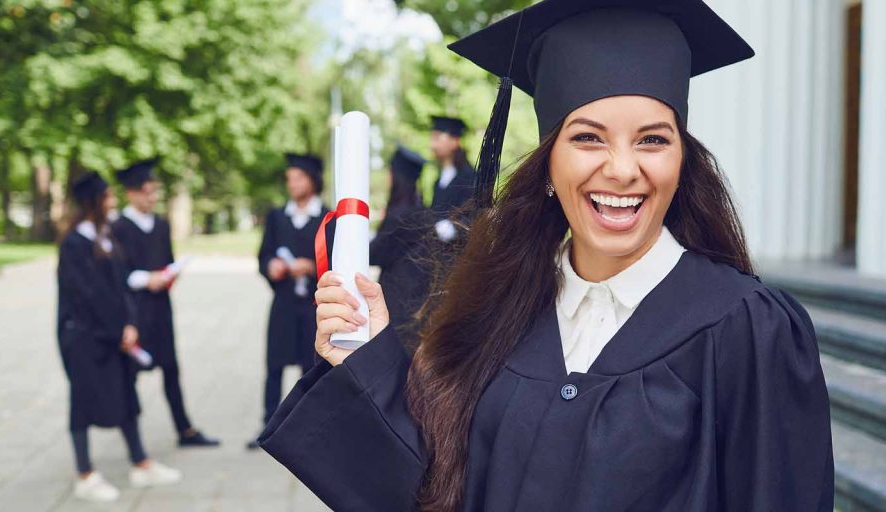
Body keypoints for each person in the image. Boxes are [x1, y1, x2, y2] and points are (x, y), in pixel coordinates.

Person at [260, 1, 834, 511]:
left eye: (652, 139)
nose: (622, 168)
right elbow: (437, 488)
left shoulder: (747, 328)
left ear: (683, 162)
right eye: (587, 137)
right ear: (549, 165)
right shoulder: (505, 306)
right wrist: (368, 359)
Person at [58, 172, 182, 502]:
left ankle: (140, 463)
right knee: (82, 403)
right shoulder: (74, 243)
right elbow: (85, 297)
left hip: (115, 334)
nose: (112, 203)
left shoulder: (106, 236)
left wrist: (129, 323)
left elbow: (120, 286)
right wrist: (119, 329)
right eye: (107, 198)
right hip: (85, 338)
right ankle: (84, 473)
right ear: (92, 203)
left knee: (127, 397)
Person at [112, 158, 220, 448]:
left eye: (155, 191)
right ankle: (131, 437)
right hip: (133, 310)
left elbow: (167, 262)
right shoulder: (118, 227)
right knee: (130, 373)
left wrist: (170, 275)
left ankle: (185, 430)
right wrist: (147, 279)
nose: (152, 197)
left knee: (171, 368)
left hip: (160, 308)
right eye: (147, 191)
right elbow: (116, 274)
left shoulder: (160, 225)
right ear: (131, 193)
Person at [248, 153, 332, 449]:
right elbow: (264, 254)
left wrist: (311, 267)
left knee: (310, 365)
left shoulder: (327, 218)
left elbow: (334, 262)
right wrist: (271, 266)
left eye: (299, 178)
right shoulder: (277, 217)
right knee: (274, 363)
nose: (292, 184)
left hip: (313, 306)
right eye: (289, 179)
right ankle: (269, 423)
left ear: (313, 181)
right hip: (283, 303)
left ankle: (307, 427)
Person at [370, 145, 430, 352]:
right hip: (416, 296)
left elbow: (376, 254)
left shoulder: (399, 214)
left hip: (398, 298)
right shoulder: (421, 209)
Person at [428, 116, 475, 244]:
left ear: (454, 141)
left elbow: (476, 215)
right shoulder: (438, 181)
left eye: (437, 138)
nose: (432, 145)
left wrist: (453, 228)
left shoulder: (470, 177)